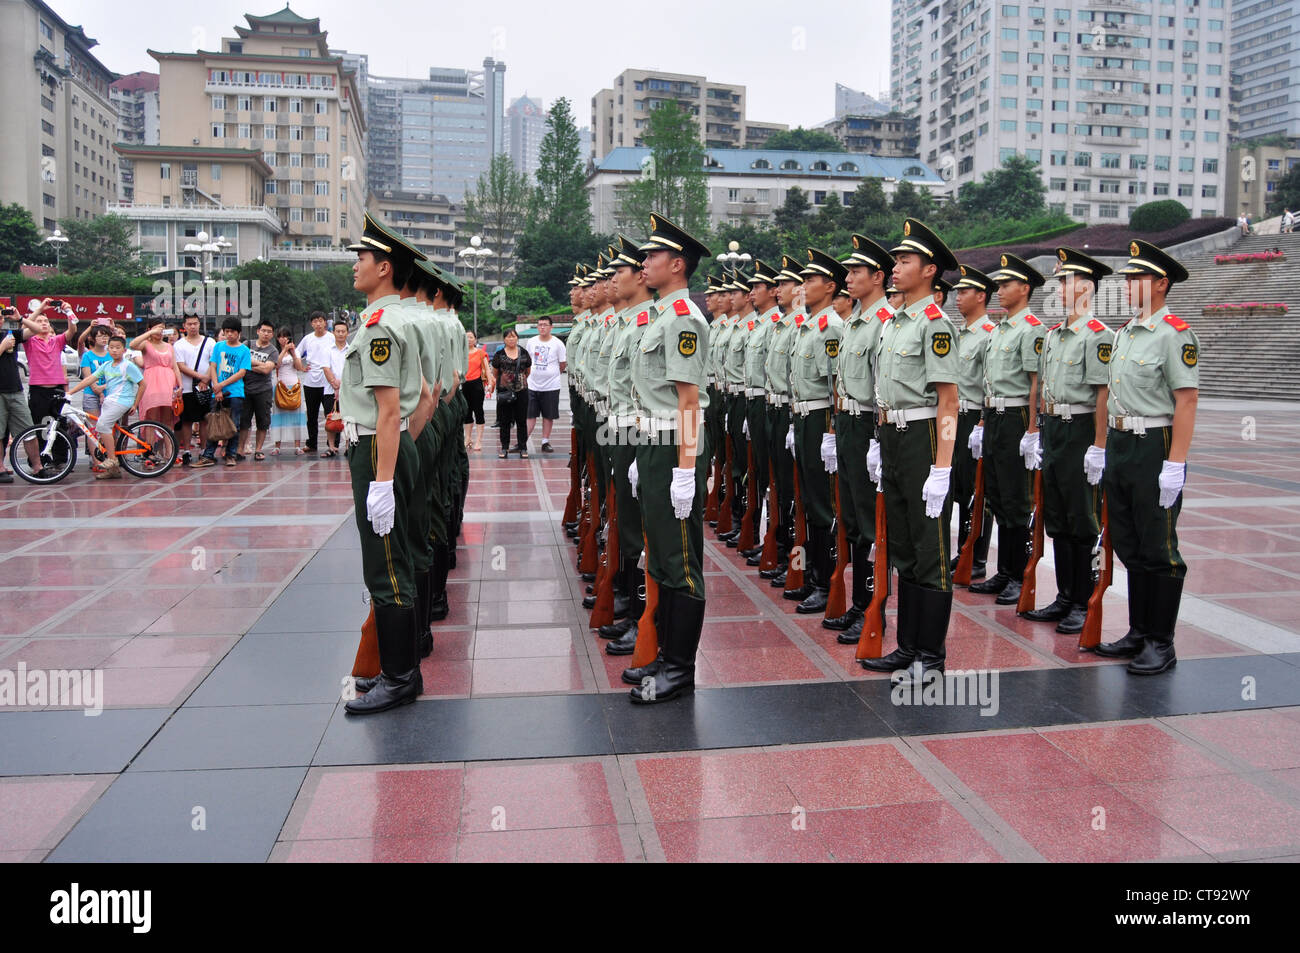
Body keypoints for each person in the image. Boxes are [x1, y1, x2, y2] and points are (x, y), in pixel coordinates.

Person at [859, 219, 960, 681]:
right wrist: (880, 442)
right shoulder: (893, 323)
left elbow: (948, 400)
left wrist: (941, 467)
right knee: (902, 545)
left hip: (922, 440)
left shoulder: (935, 325)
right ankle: (909, 646)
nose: (895, 267)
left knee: (929, 547)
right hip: (894, 438)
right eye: (896, 260)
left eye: (904, 261)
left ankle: (931, 655)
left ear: (929, 270)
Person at [1092, 240, 1197, 676]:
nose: (1130, 284)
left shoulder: (1175, 333)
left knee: (1159, 547)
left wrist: (1175, 463)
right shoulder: (1123, 333)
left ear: (1161, 283)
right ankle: (1138, 630)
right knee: (1130, 542)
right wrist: (1101, 447)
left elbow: (1186, 400)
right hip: (1121, 445)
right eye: (1128, 278)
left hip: (1155, 444)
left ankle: (1161, 641)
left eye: (1138, 278)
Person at [338, 214, 425, 715]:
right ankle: (401, 670)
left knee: (386, 566)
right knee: (398, 561)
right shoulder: (384, 321)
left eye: (362, 259)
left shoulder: (380, 326)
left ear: (384, 268)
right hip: (383, 445)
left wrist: (384, 483)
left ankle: (399, 677)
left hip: (378, 450)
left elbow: (390, 410)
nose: (356, 266)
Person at [625, 213, 712, 705]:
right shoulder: (660, 315)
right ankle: (662, 655)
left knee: (680, 559)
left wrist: (684, 471)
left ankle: (680, 668)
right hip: (652, 444)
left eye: (652, 255)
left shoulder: (683, 319)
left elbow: (687, 401)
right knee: (659, 554)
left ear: (677, 264)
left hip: (674, 447)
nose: (645, 262)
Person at [1021, 248, 1112, 634]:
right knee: (1057, 517)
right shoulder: (1055, 336)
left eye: (1067, 280)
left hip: (1080, 430)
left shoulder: (1097, 336)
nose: (1060, 287)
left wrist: (1099, 446)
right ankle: (1064, 595)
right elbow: (1042, 388)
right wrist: (1037, 431)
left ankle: (1083, 599)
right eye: (1058, 281)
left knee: (1082, 519)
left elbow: (1103, 394)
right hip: (1055, 429)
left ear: (1087, 287)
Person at [968, 253, 1047, 607]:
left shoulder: (1031, 329)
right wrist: (984, 421)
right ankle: (1004, 570)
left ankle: (1019, 575)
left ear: (1024, 288)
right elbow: (988, 382)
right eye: (997, 285)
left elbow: (1035, 384)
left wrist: (1032, 429)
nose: (998, 290)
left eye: (1005, 285)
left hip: (1017, 416)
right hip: (997, 417)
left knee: (1017, 501)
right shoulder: (999, 329)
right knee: (997, 496)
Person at [828, 235, 895, 644]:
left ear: (878, 277)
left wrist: (876, 439)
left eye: (855, 272)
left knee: (872, 524)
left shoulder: (884, 322)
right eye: (848, 271)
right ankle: (858, 603)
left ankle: (875, 608)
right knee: (853, 520)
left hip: (871, 426)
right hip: (849, 426)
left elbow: (881, 386)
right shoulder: (853, 323)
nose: (848, 278)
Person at [601, 233, 653, 656]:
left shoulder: (655, 321)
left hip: (644, 431)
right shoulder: (628, 323)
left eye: (620, 271)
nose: (612, 279)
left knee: (640, 528)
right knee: (624, 519)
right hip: (619, 426)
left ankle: (642, 617)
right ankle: (631, 608)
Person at [948, 264, 998, 580]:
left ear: (981, 296)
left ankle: (975, 555)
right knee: (957, 486)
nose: (958, 296)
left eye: (964, 291)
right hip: (956, 417)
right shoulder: (958, 333)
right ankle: (962, 549)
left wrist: (981, 422)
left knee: (975, 490)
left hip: (975, 420)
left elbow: (989, 382)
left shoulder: (988, 336)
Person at [65, 334, 144, 480]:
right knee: (106, 430)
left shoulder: (128, 366)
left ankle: (112, 459)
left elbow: (142, 384)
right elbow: (90, 379)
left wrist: (136, 403)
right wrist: (70, 392)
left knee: (102, 425)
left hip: (122, 401)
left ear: (124, 350)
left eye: (117, 348)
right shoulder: (107, 365)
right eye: (111, 348)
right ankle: (114, 470)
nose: (114, 351)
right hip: (109, 401)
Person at [192, 318, 250, 469]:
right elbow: (213, 366)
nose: (229, 335)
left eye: (232, 332)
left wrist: (221, 386)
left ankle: (231, 454)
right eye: (227, 332)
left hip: (235, 392)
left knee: (234, 424)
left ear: (239, 333)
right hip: (216, 391)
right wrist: (215, 387)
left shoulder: (244, 350)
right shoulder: (218, 346)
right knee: (214, 423)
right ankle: (208, 455)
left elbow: (242, 372)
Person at [18, 299, 78, 431]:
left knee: (60, 427)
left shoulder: (56, 340)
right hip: (38, 391)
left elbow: (72, 330)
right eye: (39, 322)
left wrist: (68, 311)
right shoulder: (30, 341)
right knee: (40, 427)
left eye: (46, 321)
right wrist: (39, 310)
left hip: (57, 389)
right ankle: (43, 451)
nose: (43, 324)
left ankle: (61, 451)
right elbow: (21, 330)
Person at [129, 323, 183, 459]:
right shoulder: (146, 344)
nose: (160, 331)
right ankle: (150, 452)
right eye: (157, 328)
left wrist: (180, 385)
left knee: (168, 420)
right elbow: (133, 345)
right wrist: (149, 334)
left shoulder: (169, 346)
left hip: (168, 383)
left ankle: (169, 453)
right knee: (151, 418)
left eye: (162, 329)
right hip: (151, 383)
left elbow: (175, 366)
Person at [0, 306, 41, 483]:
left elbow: (36, 330)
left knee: (28, 430)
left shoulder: (9, 334)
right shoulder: (5, 341)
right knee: (0, 434)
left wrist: (20, 318)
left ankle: (37, 467)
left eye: (1, 315)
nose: (1, 318)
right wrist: (1, 347)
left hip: (15, 390)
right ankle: (0, 468)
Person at [173, 314, 214, 461]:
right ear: (184, 326)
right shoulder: (179, 345)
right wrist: (200, 377)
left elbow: (213, 363)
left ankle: (204, 449)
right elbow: (180, 366)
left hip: (205, 388)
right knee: (187, 420)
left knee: (205, 420)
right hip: (187, 388)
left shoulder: (210, 342)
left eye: (195, 323)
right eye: (189, 324)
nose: (192, 326)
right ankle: (186, 451)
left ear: (199, 325)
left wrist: (206, 379)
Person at [525, 316, 567, 454]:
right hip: (532, 385)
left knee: (548, 415)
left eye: (545, 325)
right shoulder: (531, 342)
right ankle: (522, 441)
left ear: (551, 327)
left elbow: (562, 364)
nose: (542, 327)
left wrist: (552, 374)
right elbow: (528, 361)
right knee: (530, 414)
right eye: (540, 325)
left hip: (551, 386)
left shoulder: (558, 344)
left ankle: (545, 441)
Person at [488, 328, 531, 458]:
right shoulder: (499, 354)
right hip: (504, 392)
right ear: (504, 339)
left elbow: (528, 371)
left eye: (513, 337)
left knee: (521, 420)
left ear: (517, 338)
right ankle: (504, 447)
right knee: (504, 421)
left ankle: (523, 447)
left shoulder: (523, 352)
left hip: (521, 390)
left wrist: (518, 381)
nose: (511, 339)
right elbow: (495, 373)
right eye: (508, 337)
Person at [239, 319, 279, 461]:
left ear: (272, 334)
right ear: (258, 331)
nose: (266, 334)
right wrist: (260, 364)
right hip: (245, 389)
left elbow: (267, 369)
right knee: (244, 421)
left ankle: (258, 450)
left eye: (269, 331)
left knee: (263, 421)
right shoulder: (246, 345)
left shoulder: (273, 350)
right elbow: (240, 362)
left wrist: (249, 364)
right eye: (263, 330)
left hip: (263, 391)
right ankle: (240, 449)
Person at [297, 311, 334, 453]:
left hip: (327, 382)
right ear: (311, 324)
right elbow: (297, 354)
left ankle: (332, 444)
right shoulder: (308, 339)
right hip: (310, 382)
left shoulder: (332, 338)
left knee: (330, 415)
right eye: (315, 321)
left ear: (325, 322)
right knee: (311, 415)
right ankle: (311, 443)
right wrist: (301, 367)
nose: (318, 324)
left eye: (320, 320)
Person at [78, 325, 114, 464]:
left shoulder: (111, 354)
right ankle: (96, 460)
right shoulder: (87, 355)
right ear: (93, 338)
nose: (104, 338)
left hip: (110, 394)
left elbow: (116, 376)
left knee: (109, 427)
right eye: (100, 335)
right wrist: (97, 390)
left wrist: (104, 388)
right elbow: (88, 378)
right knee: (92, 429)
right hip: (91, 394)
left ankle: (110, 457)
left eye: (106, 335)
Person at [270, 326, 307, 455]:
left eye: (285, 336)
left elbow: (298, 367)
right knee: (278, 416)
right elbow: (277, 364)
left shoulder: (294, 351)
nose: (283, 339)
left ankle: (297, 446)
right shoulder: (275, 351)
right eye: (280, 336)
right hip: (281, 385)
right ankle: (277, 446)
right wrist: (284, 350)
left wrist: (293, 352)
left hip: (294, 384)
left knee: (297, 415)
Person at [319, 318, 349, 458]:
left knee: (349, 419)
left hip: (348, 390)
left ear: (347, 333)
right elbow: (325, 367)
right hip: (329, 390)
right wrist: (333, 382)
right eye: (338, 331)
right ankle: (331, 446)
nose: (341, 334)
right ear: (334, 332)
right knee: (330, 418)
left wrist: (342, 383)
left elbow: (353, 370)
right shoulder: (327, 350)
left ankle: (349, 446)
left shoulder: (351, 350)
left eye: (343, 331)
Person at [463, 329, 488, 451]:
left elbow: (487, 369)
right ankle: (467, 438)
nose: (469, 340)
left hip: (477, 385)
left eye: (471, 337)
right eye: (466, 337)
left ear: (475, 339)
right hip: (464, 385)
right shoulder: (460, 353)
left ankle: (478, 440)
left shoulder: (480, 353)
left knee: (478, 412)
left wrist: (490, 383)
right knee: (466, 413)